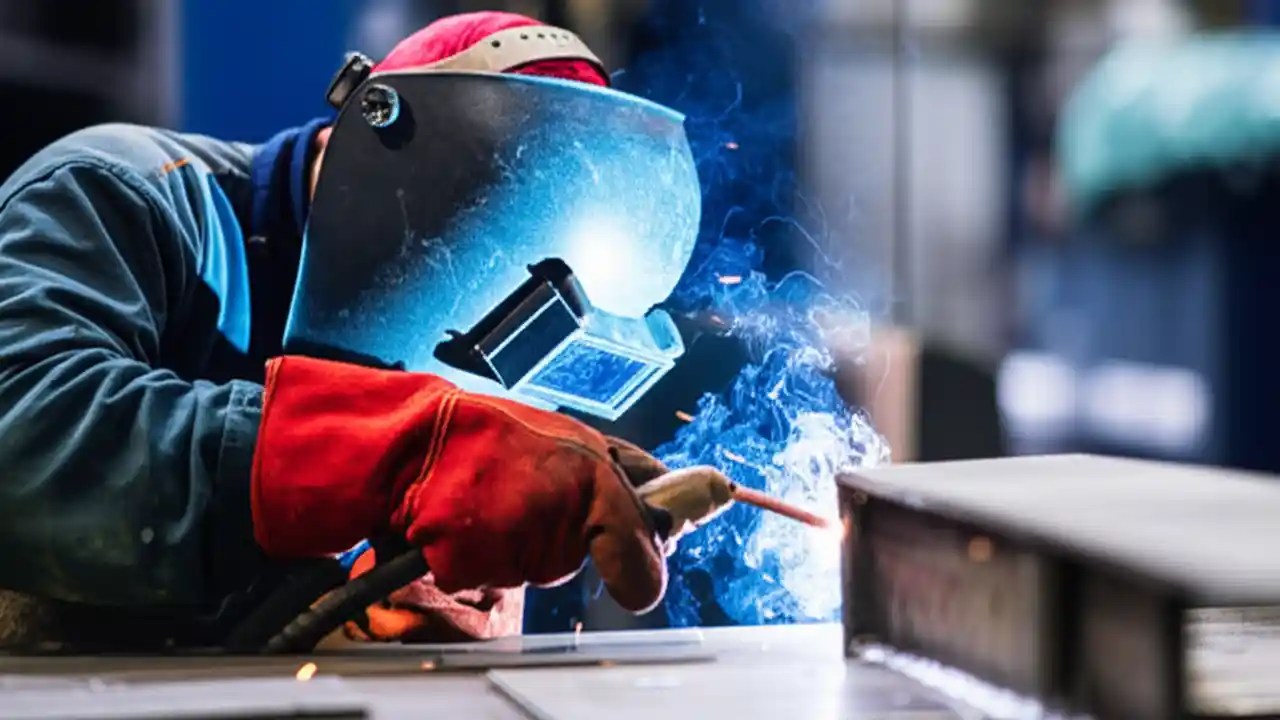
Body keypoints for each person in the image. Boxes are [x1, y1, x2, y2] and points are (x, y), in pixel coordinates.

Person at [0, 11, 708, 649]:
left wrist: (444, 604)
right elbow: (22, 430)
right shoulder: (121, 195)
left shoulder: (489, 320)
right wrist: (393, 456)